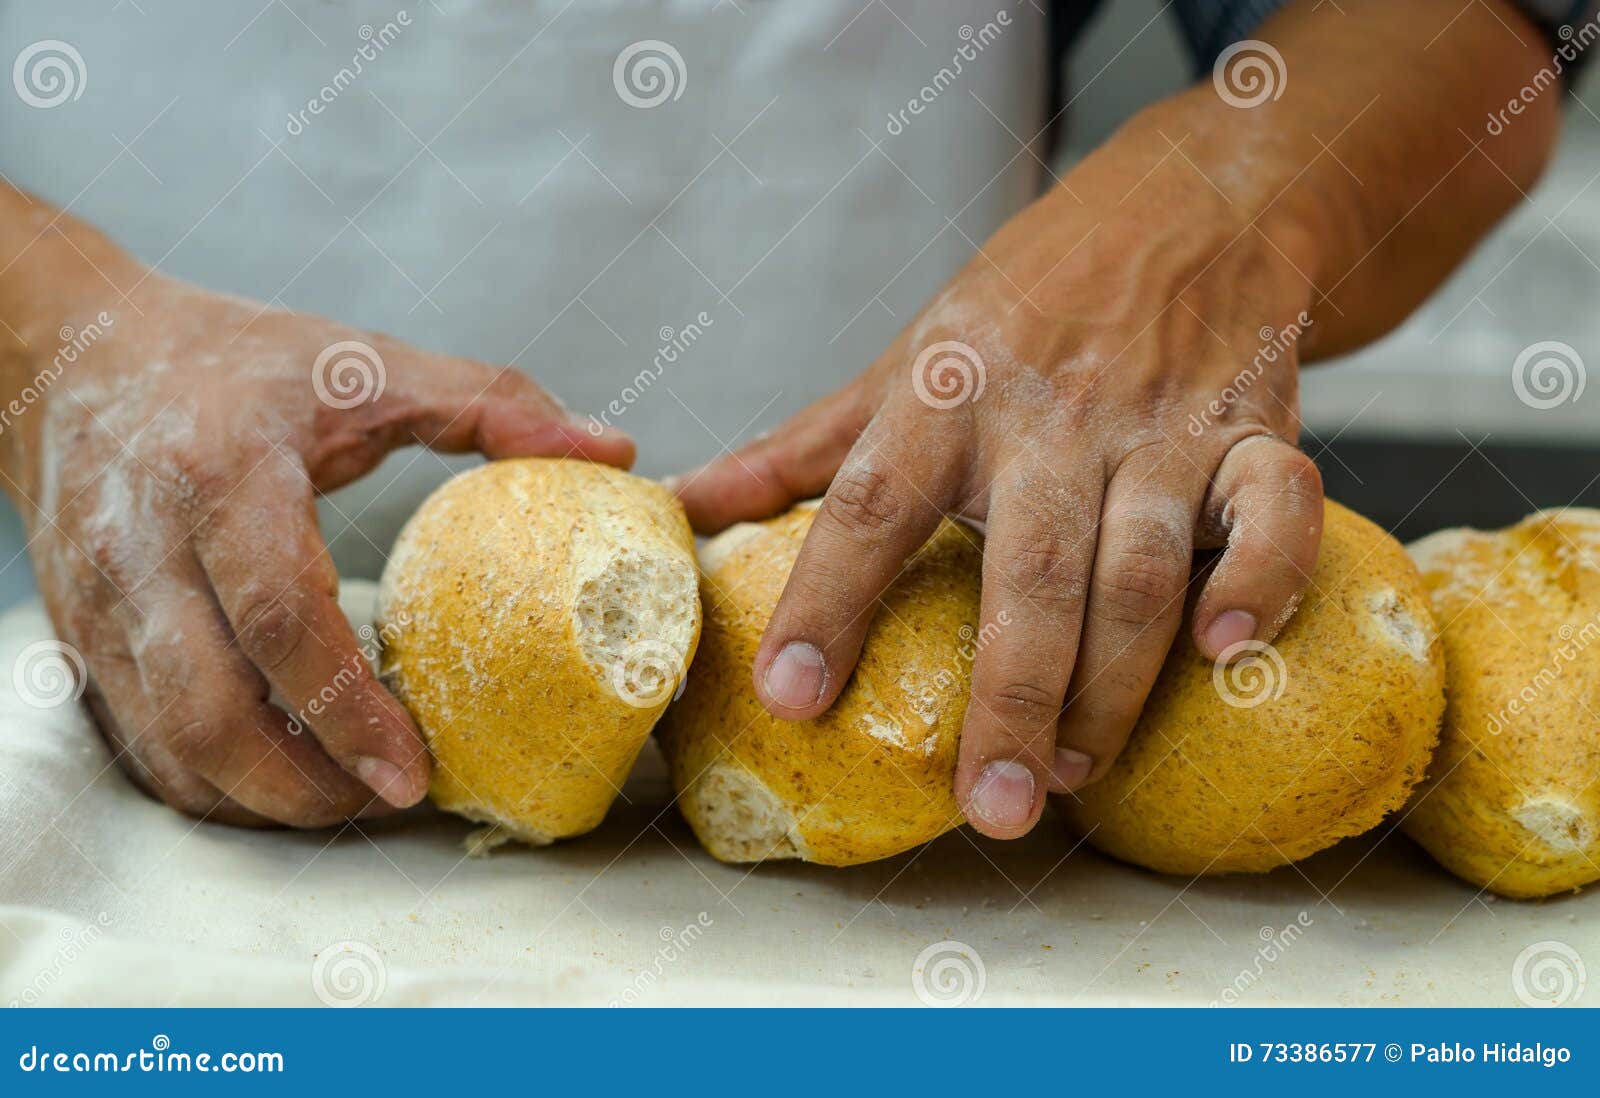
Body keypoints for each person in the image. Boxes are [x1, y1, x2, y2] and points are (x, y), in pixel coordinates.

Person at [0, 0, 1581, 841]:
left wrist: (1229, 198)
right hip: (74, 627)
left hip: (983, 640)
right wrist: (53, 337)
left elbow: (1477, 19)